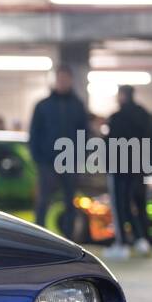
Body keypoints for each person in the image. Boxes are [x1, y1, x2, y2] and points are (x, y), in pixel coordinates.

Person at [28, 65, 88, 239]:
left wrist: (80, 157)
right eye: (60, 78)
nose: (62, 82)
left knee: (70, 203)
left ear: (70, 81)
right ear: (55, 80)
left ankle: (69, 241)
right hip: (47, 163)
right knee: (43, 203)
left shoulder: (77, 106)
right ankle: (39, 239)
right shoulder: (43, 106)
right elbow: (34, 133)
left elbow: (84, 134)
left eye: (65, 79)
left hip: (69, 162)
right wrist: (38, 159)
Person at [105, 84, 152, 257]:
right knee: (138, 204)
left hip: (120, 169)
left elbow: (110, 144)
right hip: (140, 168)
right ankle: (142, 239)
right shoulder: (146, 116)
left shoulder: (117, 118)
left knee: (121, 205)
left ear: (122, 96)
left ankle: (122, 244)